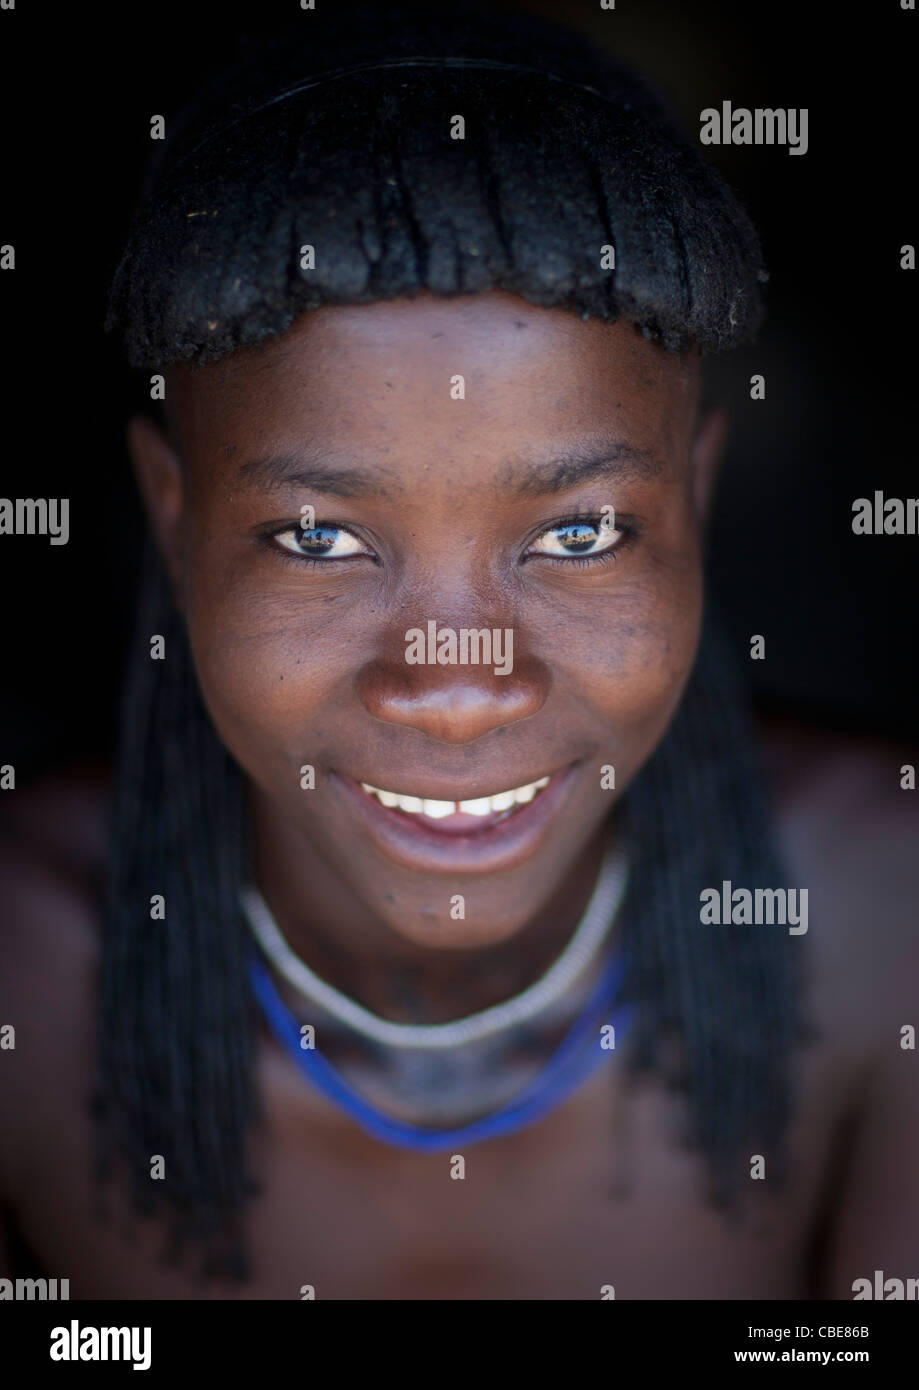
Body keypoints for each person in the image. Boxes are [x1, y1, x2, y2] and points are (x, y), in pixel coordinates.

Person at [1, 2, 916, 1300]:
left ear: (694, 503)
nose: (452, 683)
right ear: (176, 516)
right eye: (318, 537)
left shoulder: (891, 921)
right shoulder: (27, 969)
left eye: (582, 529)